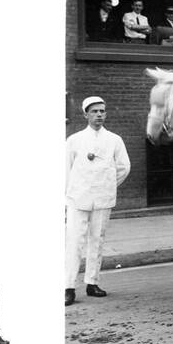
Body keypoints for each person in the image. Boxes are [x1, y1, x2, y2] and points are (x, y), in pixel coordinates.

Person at [65, 96, 131, 305]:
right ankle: (68, 287)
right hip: (78, 198)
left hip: (102, 198)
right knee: (74, 242)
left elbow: (123, 167)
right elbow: (65, 169)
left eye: (102, 111)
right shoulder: (74, 140)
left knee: (97, 240)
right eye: (94, 111)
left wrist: (108, 185)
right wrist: (67, 196)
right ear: (85, 114)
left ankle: (92, 282)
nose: (99, 115)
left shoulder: (114, 140)